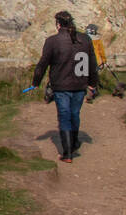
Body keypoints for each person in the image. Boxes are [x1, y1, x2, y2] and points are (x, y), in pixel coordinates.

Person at [32, 10, 99, 162]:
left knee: (64, 117)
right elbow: (92, 64)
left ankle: (67, 153)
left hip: (61, 85)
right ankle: (74, 144)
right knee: (74, 114)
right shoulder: (85, 39)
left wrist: (35, 82)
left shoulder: (52, 41)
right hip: (80, 85)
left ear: (58, 24)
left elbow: (42, 64)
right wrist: (92, 84)